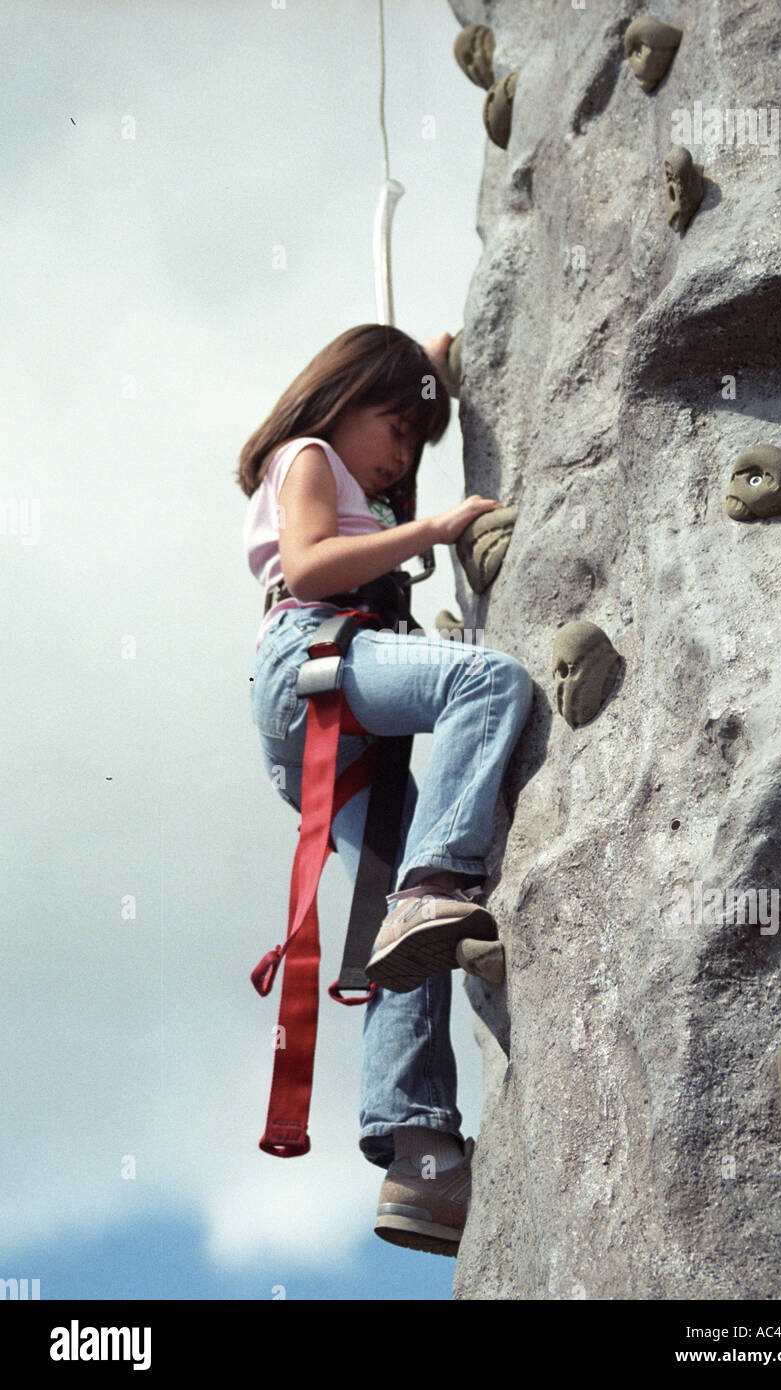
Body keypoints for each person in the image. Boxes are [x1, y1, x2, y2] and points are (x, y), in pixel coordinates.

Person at [236, 324, 533, 1256]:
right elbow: (314, 565)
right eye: (395, 426)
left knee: (407, 940)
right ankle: (437, 879)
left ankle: (424, 1162)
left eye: (418, 436)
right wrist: (432, 529)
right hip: (313, 659)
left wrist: (436, 370)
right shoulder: (309, 454)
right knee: (487, 681)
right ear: (342, 396)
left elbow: (409, 402)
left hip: (330, 704)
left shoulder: (356, 474)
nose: (405, 450)